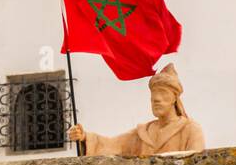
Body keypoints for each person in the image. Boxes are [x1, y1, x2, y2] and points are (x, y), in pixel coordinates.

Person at [68, 64, 204, 157]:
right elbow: (112, 145)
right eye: (154, 94)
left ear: (174, 97)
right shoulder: (142, 133)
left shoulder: (190, 129)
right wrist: (84, 137)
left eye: (163, 93)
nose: (156, 98)